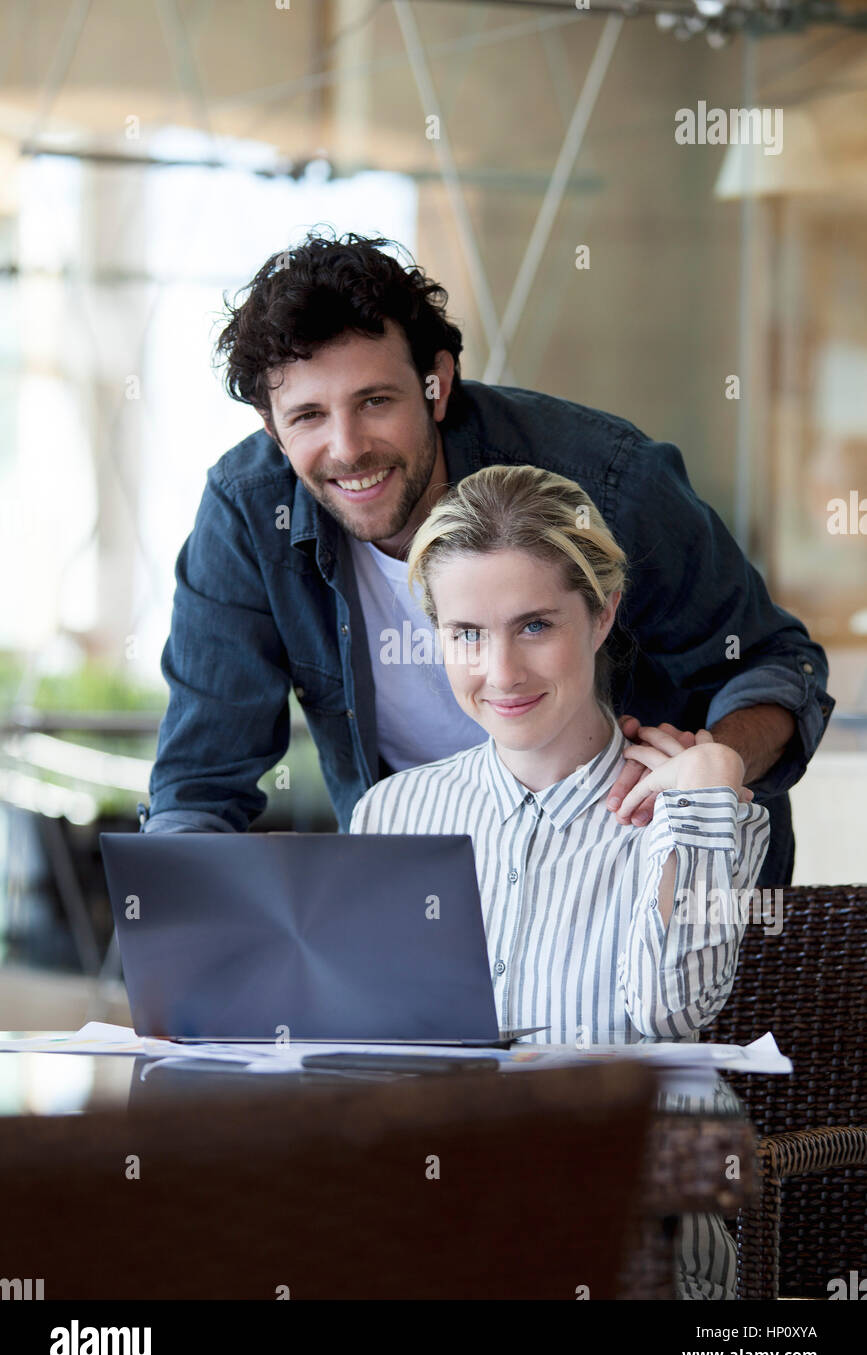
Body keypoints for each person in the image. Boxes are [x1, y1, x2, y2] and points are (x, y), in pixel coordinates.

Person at [139, 230, 833, 885]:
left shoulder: (608, 483)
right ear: (271, 426)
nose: (347, 448)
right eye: (308, 417)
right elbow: (200, 785)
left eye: (375, 400)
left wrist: (714, 764)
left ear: (437, 382)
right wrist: (182, 941)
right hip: (420, 903)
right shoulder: (248, 513)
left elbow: (776, 665)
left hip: (645, 881)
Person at [348, 463, 769, 1301]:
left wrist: (705, 800)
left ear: (602, 614)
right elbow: (366, 1057)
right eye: (466, 632)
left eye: (534, 625)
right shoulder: (391, 811)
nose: (499, 671)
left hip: (626, 1226)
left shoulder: (699, 814)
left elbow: (670, 1011)